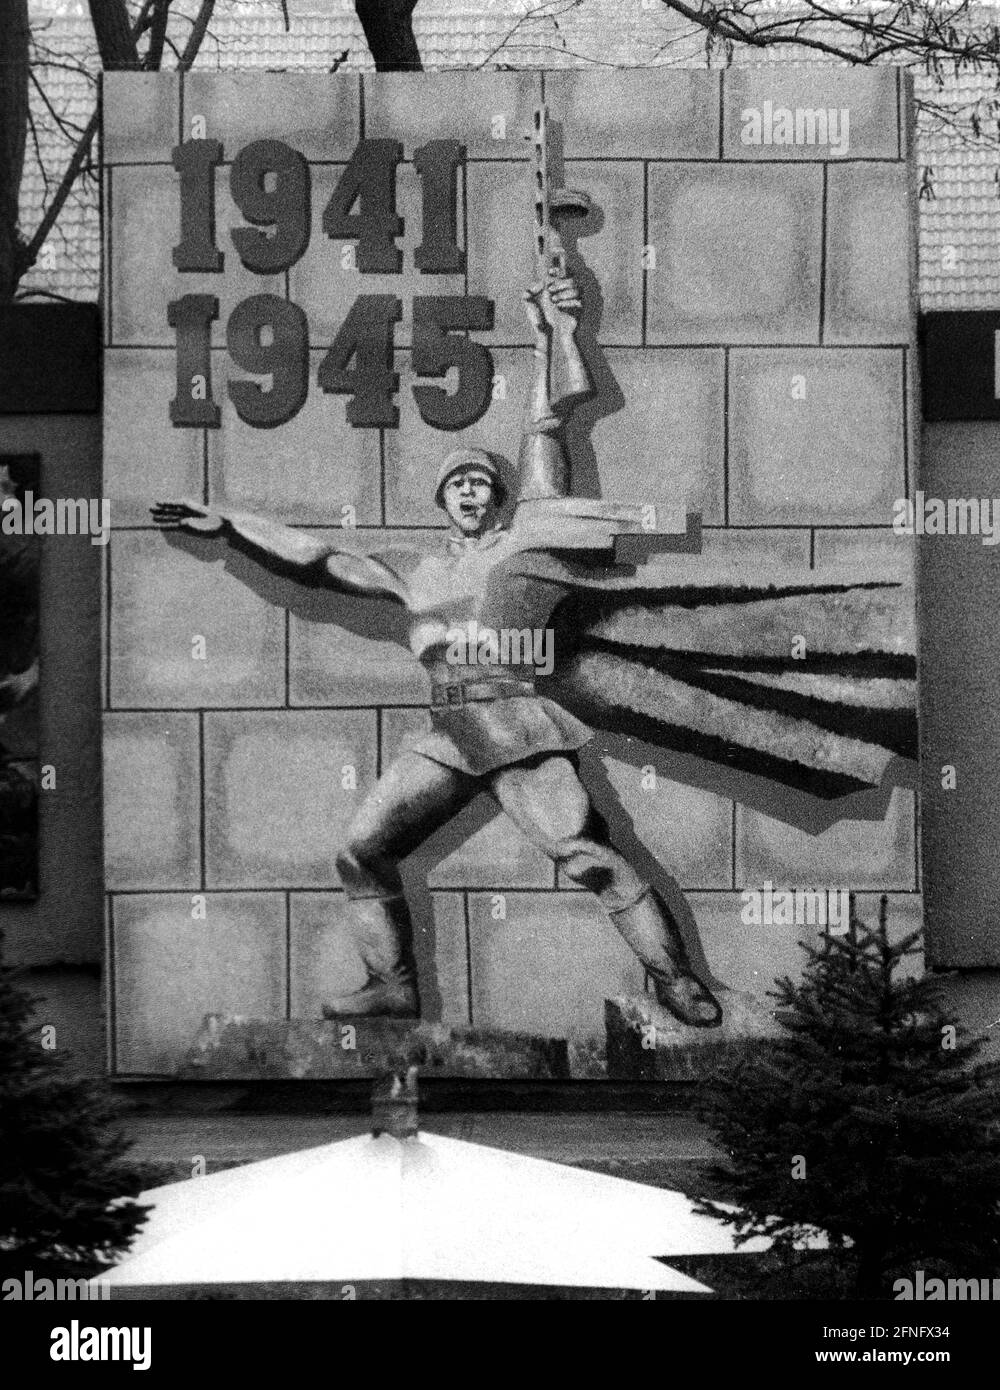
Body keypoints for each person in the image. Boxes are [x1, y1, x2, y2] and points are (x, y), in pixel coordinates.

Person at [152, 274, 723, 1029]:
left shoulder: (522, 545)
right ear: (441, 500)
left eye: (483, 482)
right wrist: (229, 522)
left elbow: (545, 428)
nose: (470, 492)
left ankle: (676, 978)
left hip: (517, 725)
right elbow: (317, 559)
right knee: (361, 849)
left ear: (498, 498)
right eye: (457, 483)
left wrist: (553, 331)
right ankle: (392, 986)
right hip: (449, 733)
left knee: (591, 857)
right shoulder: (413, 572)